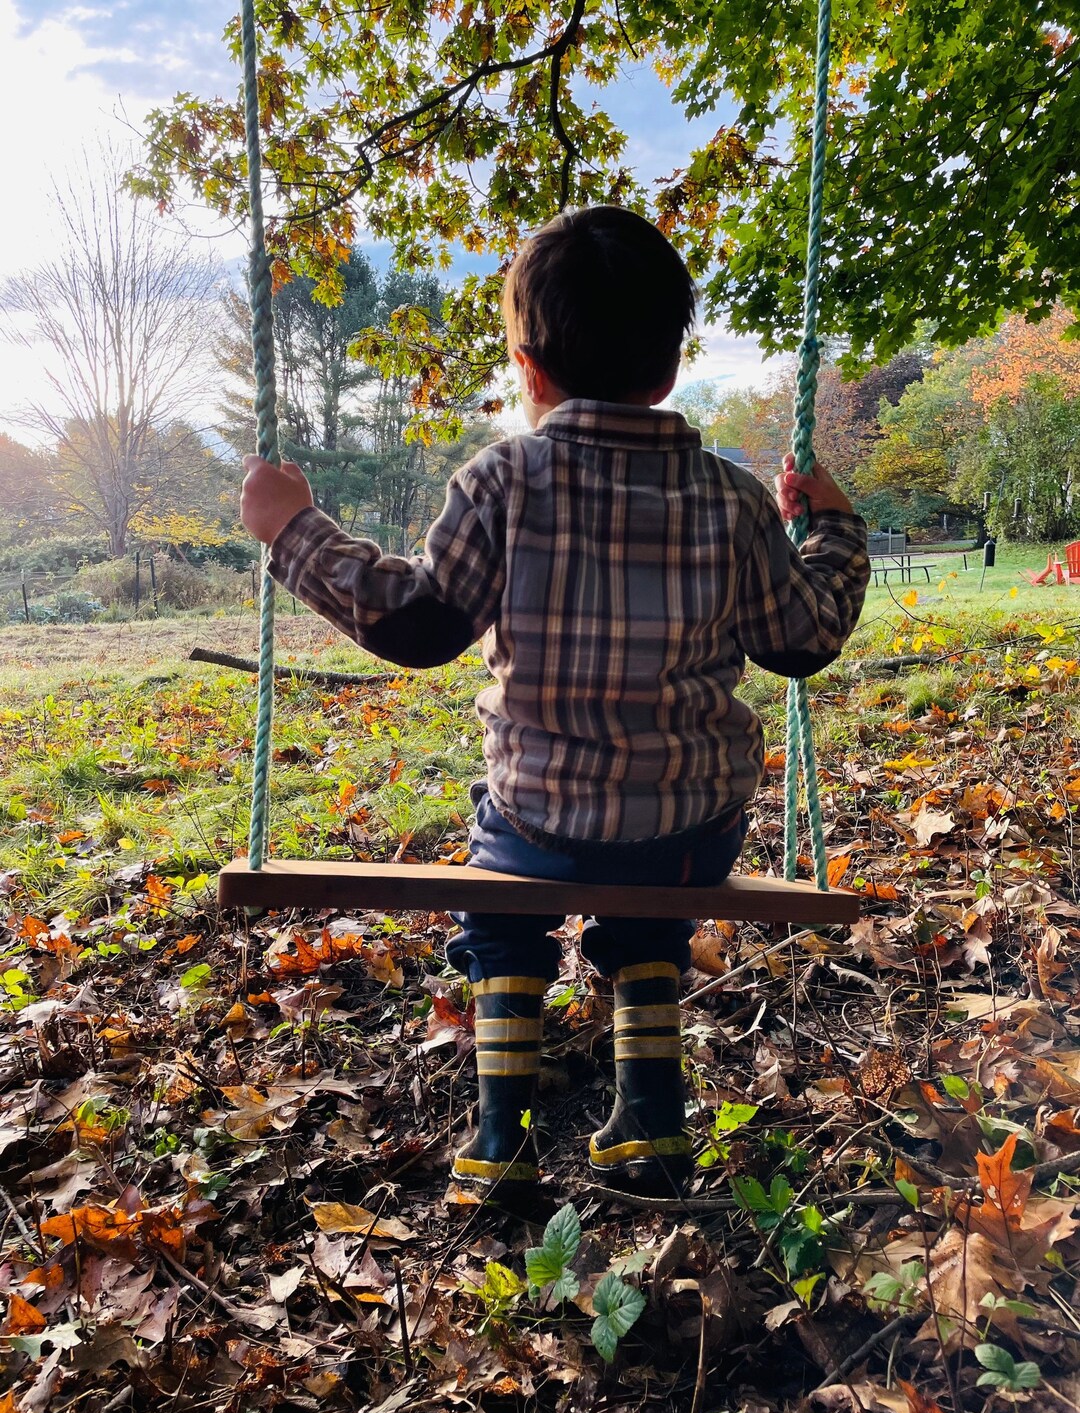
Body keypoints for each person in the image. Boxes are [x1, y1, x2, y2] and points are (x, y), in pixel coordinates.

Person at [240, 205, 870, 1195]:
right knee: (650, 916)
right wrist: (830, 523)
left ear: (529, 376)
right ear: (667, 370)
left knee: (499, 914)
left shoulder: (501, 484)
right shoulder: (736, 499)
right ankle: (650, 1122)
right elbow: (804, 642)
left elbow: (415, 625)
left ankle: (501, 1137)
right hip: (691, 837)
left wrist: (295, 530)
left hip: (538, 825)